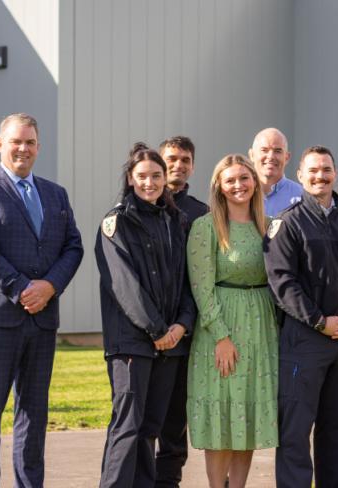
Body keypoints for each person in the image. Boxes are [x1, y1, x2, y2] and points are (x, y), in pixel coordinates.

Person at [0, 113, 84, 488]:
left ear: (38, 147)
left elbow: (73, 246)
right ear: (0, 144)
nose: (22, 149)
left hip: (41, 321)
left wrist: (50, 287)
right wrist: (21, 288)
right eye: (15, 141)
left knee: (34, 417)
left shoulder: (55, 194)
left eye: (30, 142)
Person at [263, 146, 338, 487]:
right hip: (304, 341)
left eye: (326, 169)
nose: (320, 176)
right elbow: (282, 283)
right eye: (312, 170)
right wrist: (320, 322)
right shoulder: (286, 223)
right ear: (300, 176)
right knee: (295, 433)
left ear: (335, 174)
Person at [96, 143, 197, 488]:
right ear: (130, 178)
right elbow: (123, 284)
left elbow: (187, 280)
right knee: (127, 428)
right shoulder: (116, 223)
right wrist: (157, 330)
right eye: (142, 176)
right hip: (132, 344)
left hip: (170, 343)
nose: (149, 183)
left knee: (151, 428)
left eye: (156, 176)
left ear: (165, 179)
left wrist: (181, 325)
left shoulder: (176, 221)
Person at [186, 154, 277, 488]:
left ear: (255, 181)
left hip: (261, 327)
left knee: (247, 416)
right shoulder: (206, 226)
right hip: (222, 328)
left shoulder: (269, 226)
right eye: (230, 180)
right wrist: (221, 337)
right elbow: (201, 286)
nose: (238, 185)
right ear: (219, 187)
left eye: (244, 178)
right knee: (223, 417)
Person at [155, 135, 209, 487]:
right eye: (171, 158)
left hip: (186, 329)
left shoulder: (201, 213)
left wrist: (184, 323)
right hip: (146, 329)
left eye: (185, 159)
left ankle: (168, 482)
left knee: (175, 418)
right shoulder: (141, 204)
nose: (178, 165)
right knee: (145, 419)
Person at [248, 127, 302, 216]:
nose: (271, 156)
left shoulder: (301, 198)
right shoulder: (241, 194)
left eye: (277, 151)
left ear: (287, 157)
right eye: (264, 150)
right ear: (252, 155)